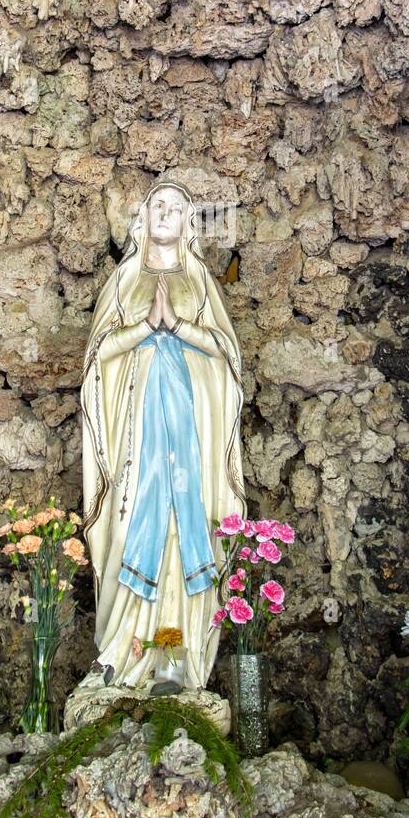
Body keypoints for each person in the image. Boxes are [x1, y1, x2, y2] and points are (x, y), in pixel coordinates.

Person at [80, 181, 245, 690]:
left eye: (177, 207)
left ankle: (175, 656)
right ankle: (119, 651)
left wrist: (178, 327)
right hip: (136, 436)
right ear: (143, 217)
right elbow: (96, 360)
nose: (166, 213)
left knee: (182, 530)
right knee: (131, 526)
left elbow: (228, 359)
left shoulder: (198, 282)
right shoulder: (126, 279)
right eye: (158, 205)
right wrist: (145, 329)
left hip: (190, 435)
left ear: (189, 223)